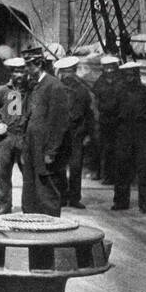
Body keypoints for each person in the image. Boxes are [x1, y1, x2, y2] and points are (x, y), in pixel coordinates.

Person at [20, 46, 69, 216]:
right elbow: (29, 119)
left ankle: (51, 231)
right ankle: (31, 225)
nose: (26, 69)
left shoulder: (55, 87)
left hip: (45, 150)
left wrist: (51, 151)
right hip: (32, 148)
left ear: (39, 64)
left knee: (47, 191)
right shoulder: (34, 86)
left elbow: (59, 123)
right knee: (30, 190)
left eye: (29, 65)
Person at [112, 62, 146, 213]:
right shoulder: (119, 92)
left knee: (143, 169)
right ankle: (121, 201)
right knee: (122, 167)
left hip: (141, 132)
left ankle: (145, 203)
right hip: (124, 132)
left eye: (132, 75)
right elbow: (113, 113)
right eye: (127, 75)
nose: (130, 78)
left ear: (137, 75)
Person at [0, 58, 27, 215]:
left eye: (22, 71)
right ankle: (4, 206)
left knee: (27, 173)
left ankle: (28, 207)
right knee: (4, 173)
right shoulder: (4, 91)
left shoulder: (30, 90)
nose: (19, 74)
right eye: (16, 71)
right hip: (7, 138)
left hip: (24, 137)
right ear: (11, 72)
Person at [57, 55, 94, 209]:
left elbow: (89, 114)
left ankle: (74, 198)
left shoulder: (83, 91)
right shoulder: (56, 89)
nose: (68, 76)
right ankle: (61, 196)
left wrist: (88, 134)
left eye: (70, 72)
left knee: (76, 167)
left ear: (74, 72)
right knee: (59, 166)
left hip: (76, 133)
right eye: (65, 73)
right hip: (60, 134)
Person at [93, 54, 121, 183]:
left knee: (118, 148)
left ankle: (116, 176)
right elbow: (96, 99)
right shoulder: (100, 82)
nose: (109, 71)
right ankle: (103, 174)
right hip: (104, 120)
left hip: (118, 120)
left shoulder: (121, 82)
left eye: (111, 68)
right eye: (106, 68)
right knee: (103, 148)